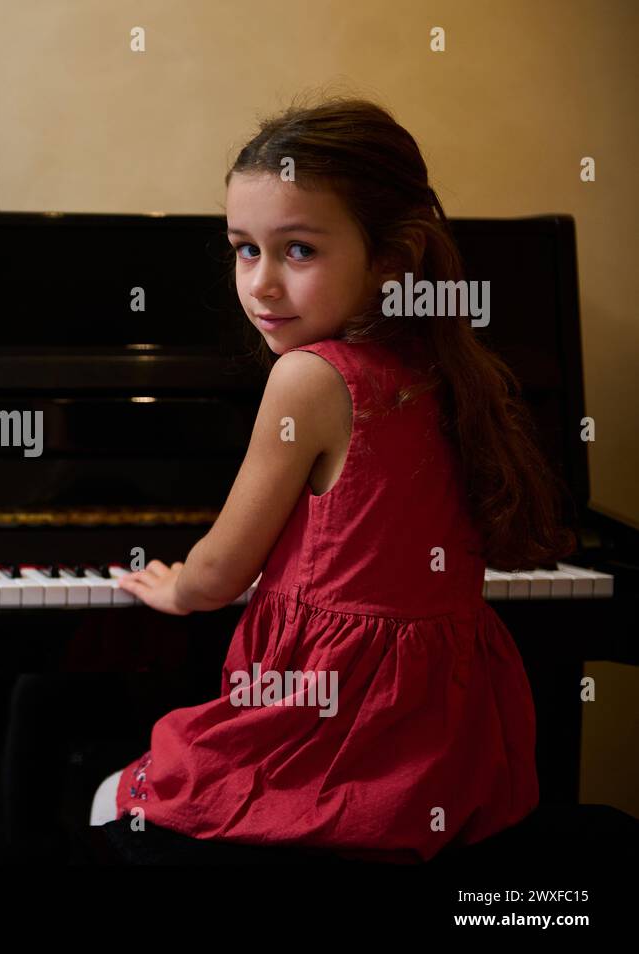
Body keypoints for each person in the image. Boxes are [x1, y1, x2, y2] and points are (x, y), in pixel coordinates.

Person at [99, 95, 576, 863]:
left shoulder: (309, 379)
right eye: (243, 248)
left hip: (332, 733)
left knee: (112, 799)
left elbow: (222, 572)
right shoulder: (450, 367)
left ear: (391, 259)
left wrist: (175, 587)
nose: (259, 284)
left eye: (298, 251)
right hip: (448, 739)